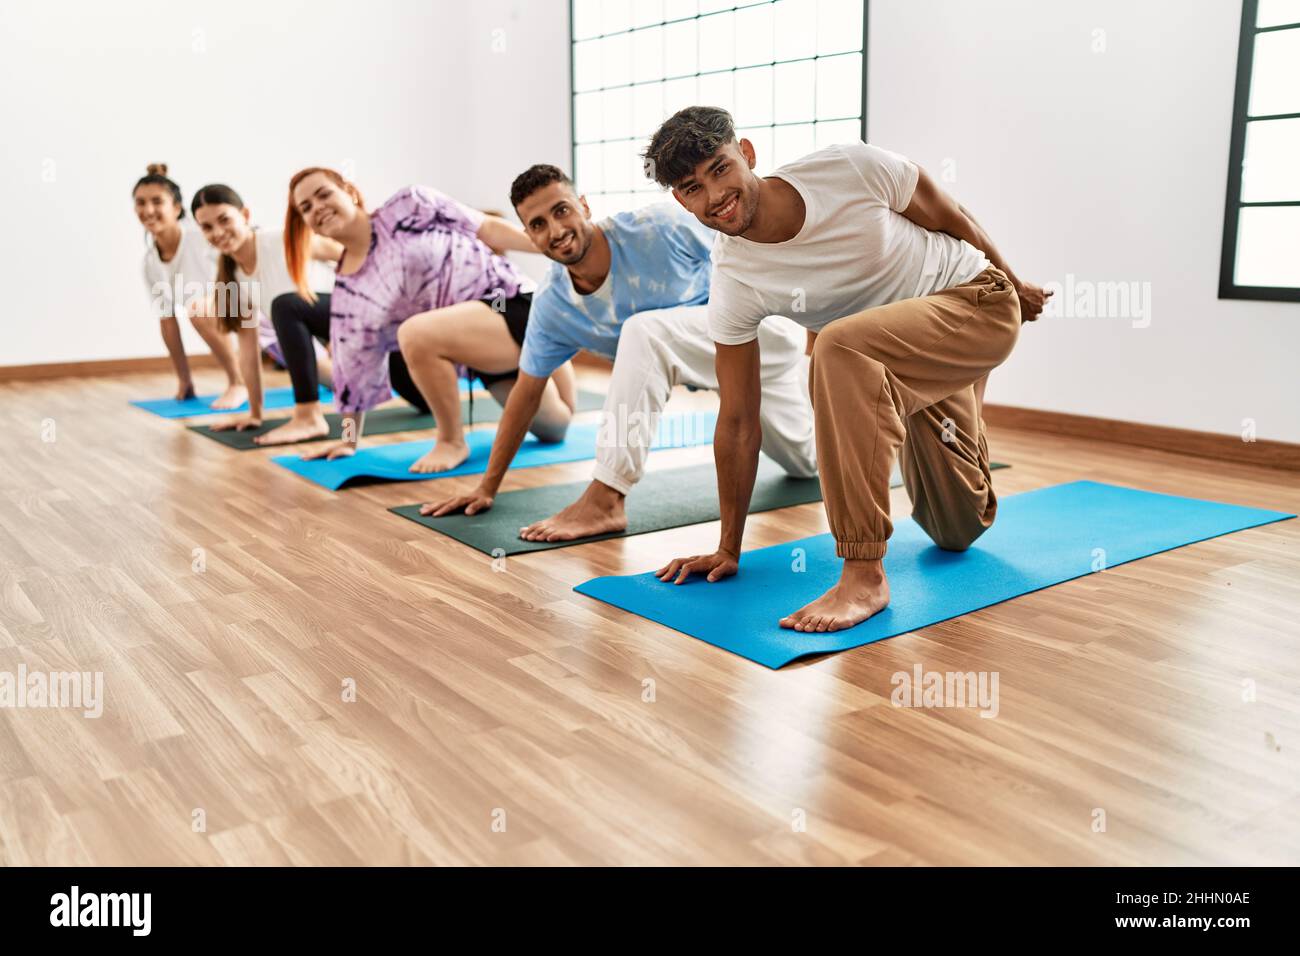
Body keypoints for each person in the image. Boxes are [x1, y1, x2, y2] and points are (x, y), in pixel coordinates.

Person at [647, 107, 1052, 633]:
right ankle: (956, 404)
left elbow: (954, 218)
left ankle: (863, 576)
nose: (714, 196)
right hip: (898, 351)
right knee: (956, 528)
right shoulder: (734, 279)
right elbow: (740, 419)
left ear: (746, 154)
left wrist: (1015, 286)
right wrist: (728, 547)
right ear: (681, 199)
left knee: (833, 347)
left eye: (720, 169)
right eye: (692, 187)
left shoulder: (850, 168)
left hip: (974, 300)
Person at [423, 164, 815, 542]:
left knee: (643, 329)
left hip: (763, 335)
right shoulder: (553, 307)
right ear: (528, 235)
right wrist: (486, 487)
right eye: (538, 225)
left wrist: (817, 329)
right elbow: (526, 394)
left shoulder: (659, 228)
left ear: (584, 206)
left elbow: (760, 253)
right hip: (725, 373)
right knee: (807, 465)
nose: (556, 230)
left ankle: (607, 497)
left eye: (561, 210)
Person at [286, 170, 577, 471]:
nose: (317, 207)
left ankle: (451, 441)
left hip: (509, 301)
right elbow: (351, 373)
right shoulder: (349, 291)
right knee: (555, 428)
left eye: (323, 194)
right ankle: (553, 351)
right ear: (307, 225)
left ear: (349, 191)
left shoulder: (409, 205)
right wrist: (348, 440)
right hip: (477, 346)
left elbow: (485, 226)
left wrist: (547, 246)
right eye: (306, 207)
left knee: (414, 332)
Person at [188, 184, 339, 442]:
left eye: (225, 220)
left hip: (351, 326)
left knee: (284, 306)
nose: (218, 232)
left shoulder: (278, 239)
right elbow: (248, 350)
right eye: (207, 227)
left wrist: (349, 322)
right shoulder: (231, 277)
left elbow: (347, 255)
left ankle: (310, 418)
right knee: (346, 383)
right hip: (305, 339)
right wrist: (255, 414)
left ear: (245, 215)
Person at [133, 164, 230, 404]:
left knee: (329, 377)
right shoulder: (150, 264)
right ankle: (238, 380)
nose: (148, 210)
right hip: (227, 321)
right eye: (141, 203)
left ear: (176, 208)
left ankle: (239, 382)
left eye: (157, 201)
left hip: (254, 312)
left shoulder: (201, 235)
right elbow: (167, 321)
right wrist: (184, 379)